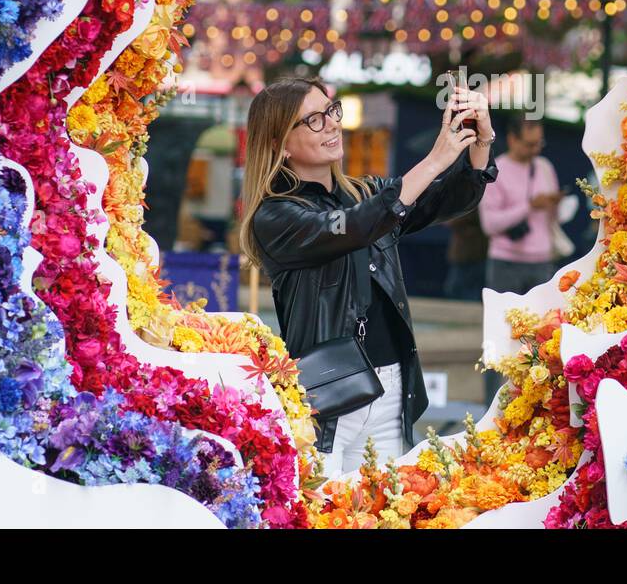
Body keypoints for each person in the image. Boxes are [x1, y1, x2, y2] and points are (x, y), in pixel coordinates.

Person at [238, 76, 497, 479]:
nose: (332, 124)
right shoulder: (275, 217)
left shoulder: (365, 194)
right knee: (320, 515)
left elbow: (448, 198)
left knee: (384, 512)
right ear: (280, 145)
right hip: (327, 397)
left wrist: (479, 142)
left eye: (331, 111)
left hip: (391, 386)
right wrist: (433, 160)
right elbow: (357, 225)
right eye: (314, 120)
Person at [478, 113, 563, 296]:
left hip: (542, 260)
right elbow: (489, 224)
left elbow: (555, 218)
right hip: (506, 263)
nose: (535, 150)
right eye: (529, 144)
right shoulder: (495, 171)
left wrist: (556, 204)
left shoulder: (544, 167)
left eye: (539, 143)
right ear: (512, 139)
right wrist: (530, 206)